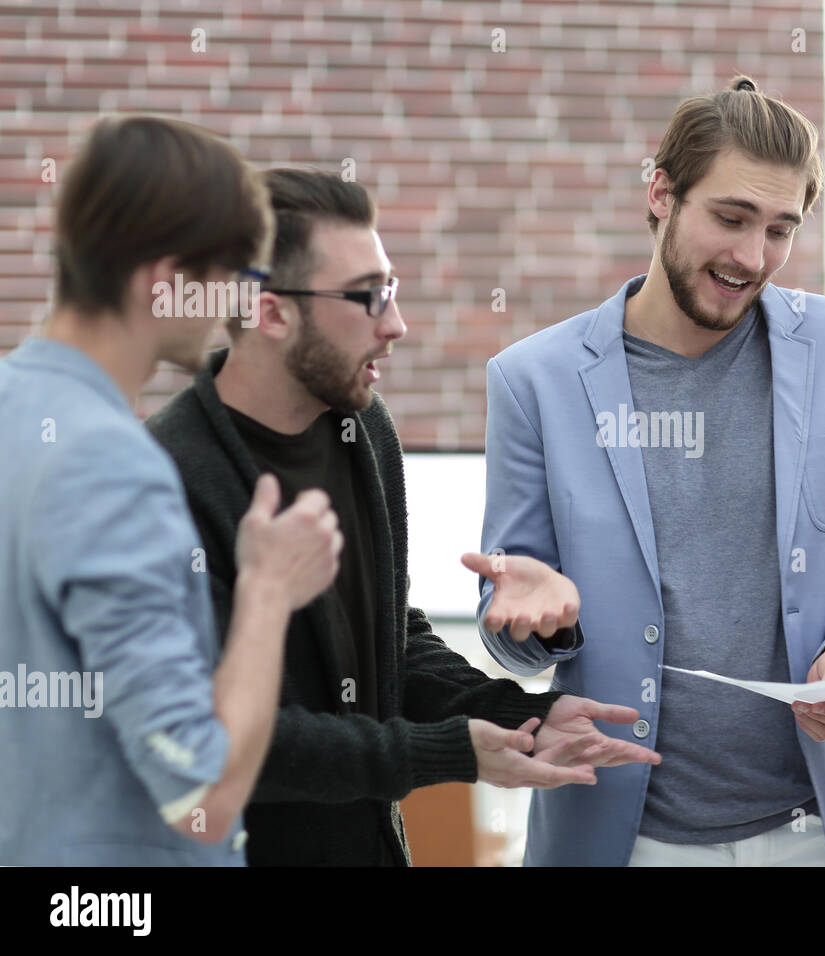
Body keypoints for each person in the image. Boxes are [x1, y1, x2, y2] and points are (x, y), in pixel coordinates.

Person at [147, 168, 658, 866]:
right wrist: (448, 753)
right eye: (368, 297)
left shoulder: (363, 431)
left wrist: (521, 718)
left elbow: (391, 645)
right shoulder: (161, 480)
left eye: (392, 290)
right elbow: (220, 744)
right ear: (269, 311)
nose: (397, 324)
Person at [472, 76, 825, 866]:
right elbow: (511, 632)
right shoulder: (531, 380)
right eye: (731, 218)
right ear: (661, 194)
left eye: (781, 228)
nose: (753, 258)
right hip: (622, 836)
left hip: (817, 829)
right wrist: (535, 623)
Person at [0, 116, 341, 865]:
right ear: (163, 280)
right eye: (226, 276)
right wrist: (266, 592)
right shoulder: (111, 464)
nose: (235, 305)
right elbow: (202, 797)